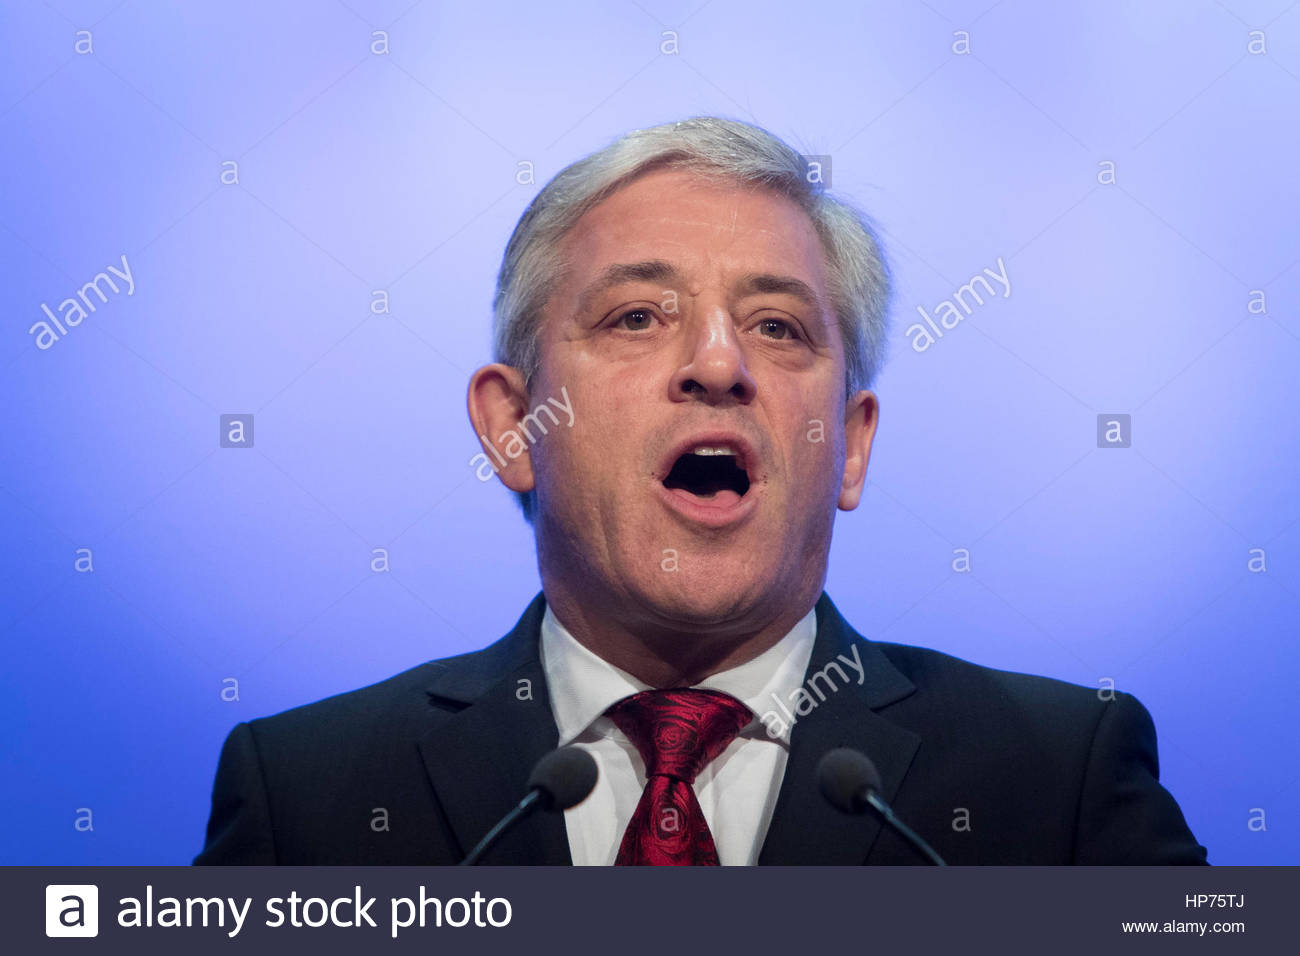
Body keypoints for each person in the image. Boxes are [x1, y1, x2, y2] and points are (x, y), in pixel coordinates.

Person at [194, 117, 1207, 866]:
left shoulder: (1058, 780)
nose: (718, 363)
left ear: (850, 446)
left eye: (778, 326)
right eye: (638, 316)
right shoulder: (310, 797)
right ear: (513, 427)